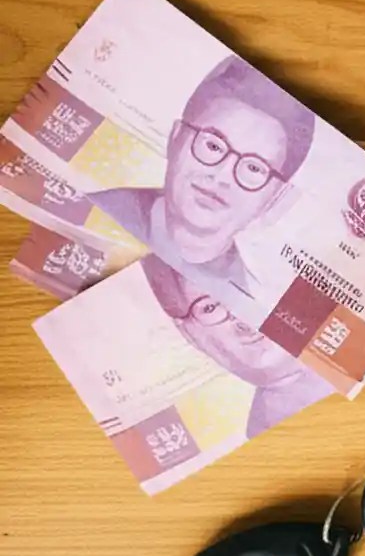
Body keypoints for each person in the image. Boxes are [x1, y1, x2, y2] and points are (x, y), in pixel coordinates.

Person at [93, 57, 315, 296]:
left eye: (254, 168)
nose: (222, 176)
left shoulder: (253, 302)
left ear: (275, 196)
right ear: (175, 138)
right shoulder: (88, 210)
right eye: (213, 146)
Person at [140, 255, 332, 438]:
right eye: (210, 307)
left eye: (244, 289)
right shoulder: (263, 430)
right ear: (189, 334)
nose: (243, 319)